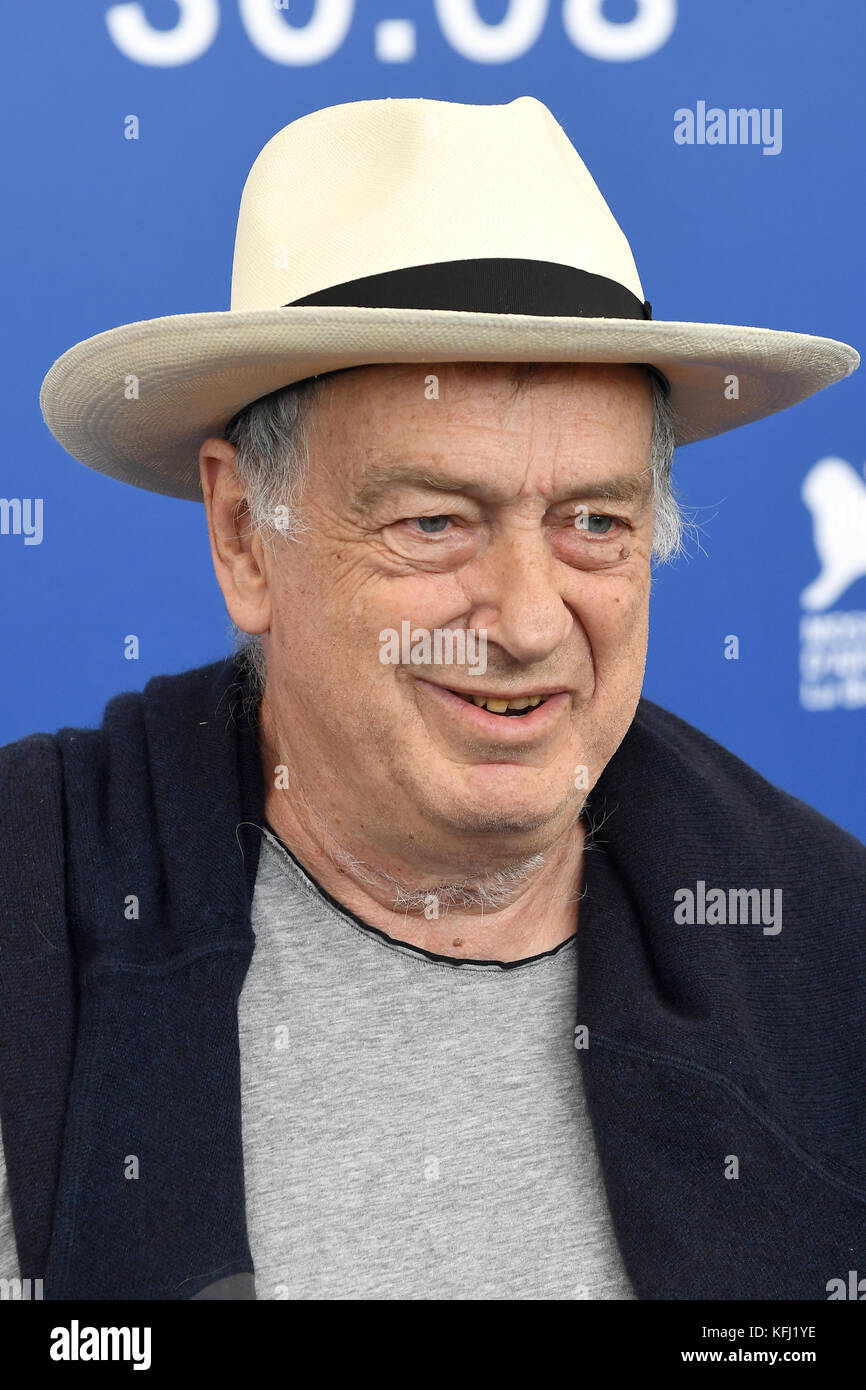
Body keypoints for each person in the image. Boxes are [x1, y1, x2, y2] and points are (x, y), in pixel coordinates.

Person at [1, 95, 864, 1301]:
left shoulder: (830, 947)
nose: (521, 620)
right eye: (434, 523)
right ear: (246, 535)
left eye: (593, 524)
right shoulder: (28, 905)